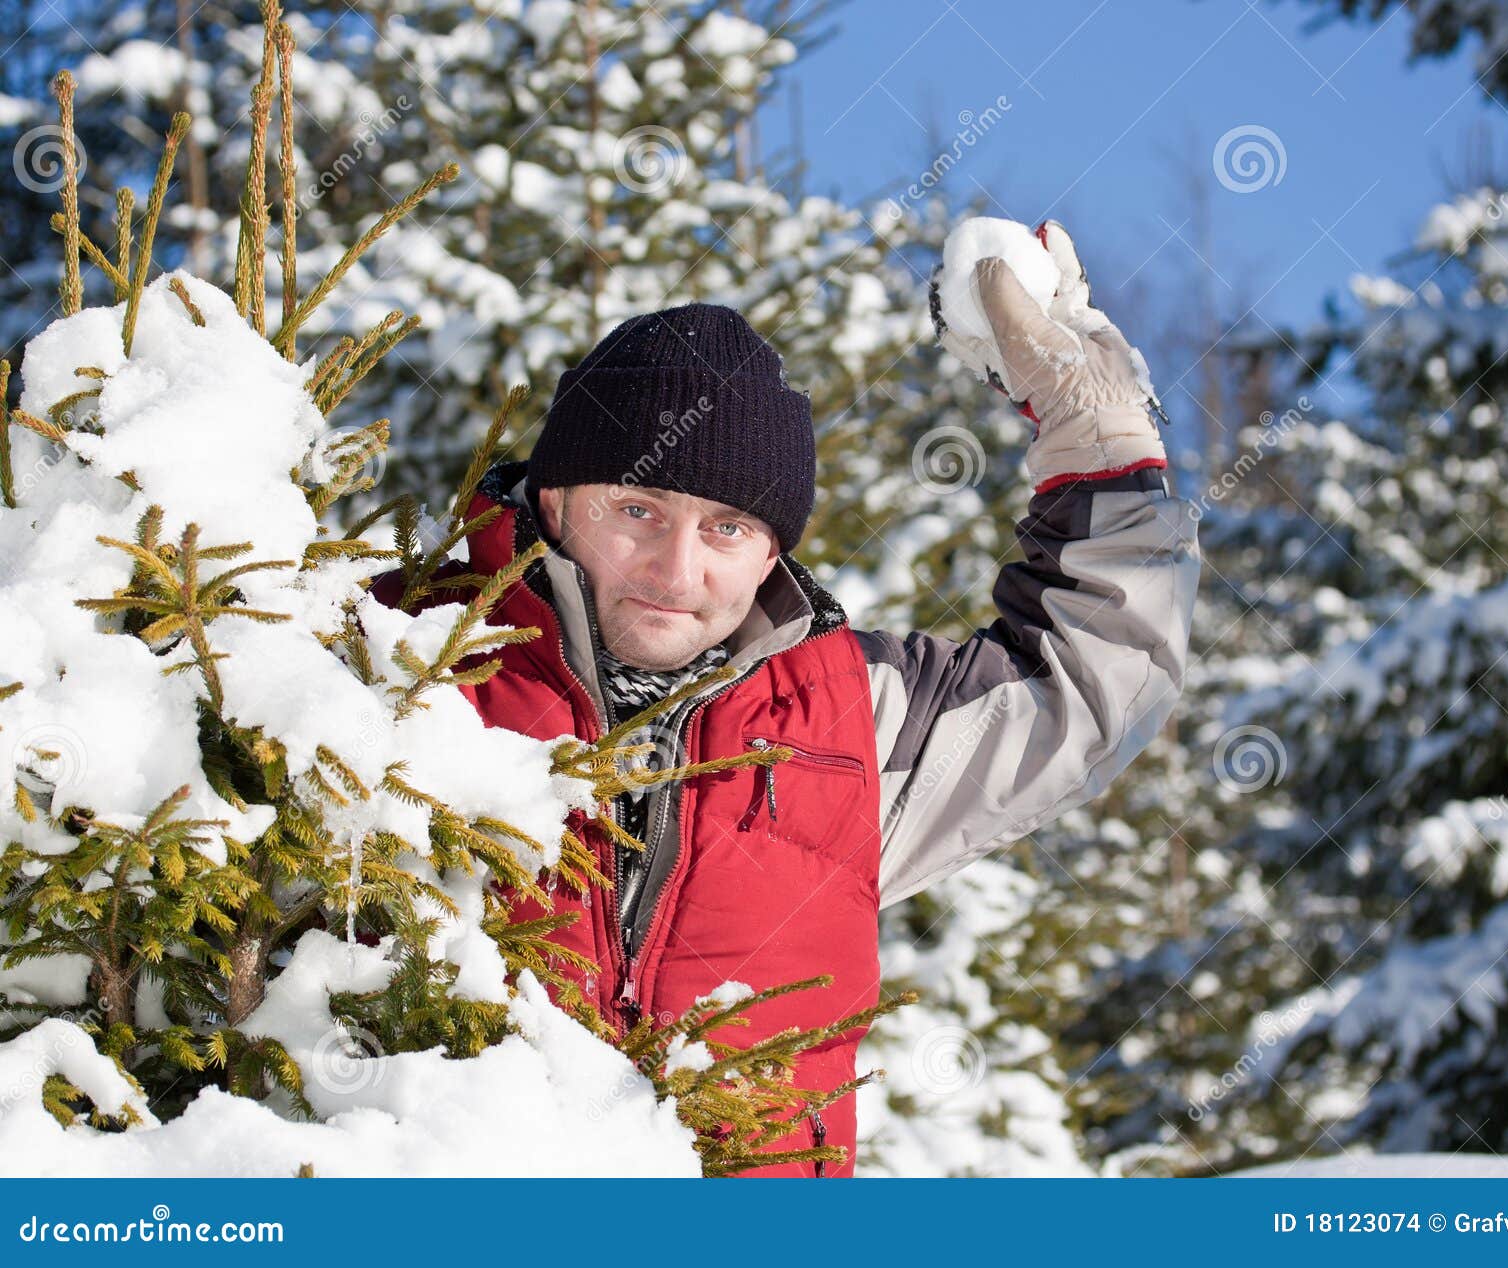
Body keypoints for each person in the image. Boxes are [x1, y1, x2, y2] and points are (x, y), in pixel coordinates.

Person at [372, 219, 1201, 1176]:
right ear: (554, 502)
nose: (676, 569)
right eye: (636, 509)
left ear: (774, 550)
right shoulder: (395, 652)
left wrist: (1092, 426)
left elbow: (1096, 673)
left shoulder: (856, 721)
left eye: (727, 527)